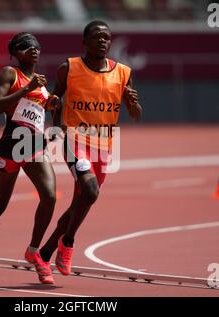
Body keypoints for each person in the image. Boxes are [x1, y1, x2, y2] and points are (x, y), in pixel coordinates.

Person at [39, 20, 143, 275]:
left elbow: (136, 114)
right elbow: (55, 100)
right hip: (75, 140)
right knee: (90, 190)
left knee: (82, 200)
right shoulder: (69, 67)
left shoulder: (123, 72)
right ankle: (69, 242)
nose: (103, 41)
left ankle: (45, 253)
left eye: (107, 37)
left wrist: (132, 104)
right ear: (85, 42)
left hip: (105, 145)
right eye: (97, 37)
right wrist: (56, 125)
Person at [0, 32, 58, 285]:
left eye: (36, 46)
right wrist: (25, 90)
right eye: (25, 46)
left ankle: (34, 252)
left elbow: (37, 114)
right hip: (9, 148)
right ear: (15, 53)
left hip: (33, 148)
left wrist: (50, 104)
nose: (32, 49)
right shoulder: (10, 73)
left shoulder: (41, 84)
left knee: (50, 196)